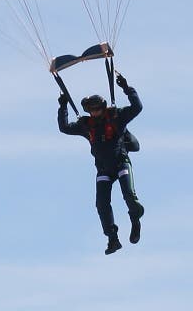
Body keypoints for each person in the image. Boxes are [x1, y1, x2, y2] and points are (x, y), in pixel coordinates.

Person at [57, 72, 145, 254]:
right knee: (101, 204)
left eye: (97, 109)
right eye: (91, 110)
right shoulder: (86, 125)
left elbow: (137, 107)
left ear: (103, 108)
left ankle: (135, 219)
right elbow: (64, 128)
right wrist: (63, 106)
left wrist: (127, 89)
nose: (95, 113)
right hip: (104, 169)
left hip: (121, 163)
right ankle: (112, 238)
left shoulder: (116, 117)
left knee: (129, 195)